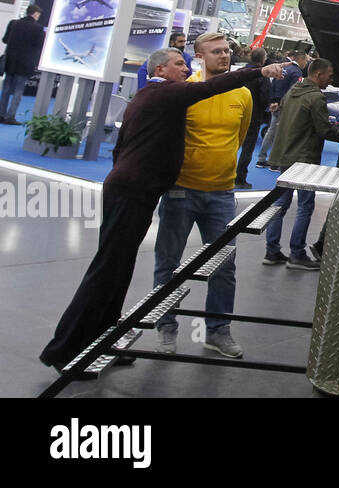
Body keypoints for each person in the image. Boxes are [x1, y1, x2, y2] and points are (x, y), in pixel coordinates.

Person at [39, 48, 287, 372]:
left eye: (186, 64)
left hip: (132, 192)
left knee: (118, 273)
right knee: (106, 273)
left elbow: (121, 145)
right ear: (160, 68)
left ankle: (100, 342)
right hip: (131, 194)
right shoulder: (164, 94)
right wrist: (260, 72)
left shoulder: (147, 97)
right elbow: (209, 88)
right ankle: (65, 353)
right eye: (179, 64)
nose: (185, 70)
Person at [151, 32, 254, 359]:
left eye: (227, 51)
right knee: (168, 264)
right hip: (182, 190)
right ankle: (166, 328)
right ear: (199, 56)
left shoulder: (242, 94)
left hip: (222, 193)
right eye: (216, 51)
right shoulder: (185, 91)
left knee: (224, 267)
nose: (224, 56)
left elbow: (239, 137)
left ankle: (218, 332)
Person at [264, 58, 339, 269]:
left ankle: (272, 251)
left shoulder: (293, 91)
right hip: (304, 159)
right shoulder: (316, 97)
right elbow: (324, 129)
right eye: (329, 75)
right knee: (305, 206)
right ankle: (297, 254)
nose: (331, 79)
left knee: (280, 205)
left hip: (284, 154)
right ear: (318, 75)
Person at [255, 50, 305, 168]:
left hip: (275, 103)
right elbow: (292, 91)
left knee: (271, 131)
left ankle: (262, 158)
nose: (306, 63)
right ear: (301, 59)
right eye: (306, 60)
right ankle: (274, 162)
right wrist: (282, 103)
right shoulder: (297, 72)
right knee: (280, 133)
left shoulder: (283, 68)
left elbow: (273, 85)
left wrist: (273, 101)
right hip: (284, 106)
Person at [0, 4, 44, 124]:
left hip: (10, 61)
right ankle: (10, 116)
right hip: (25, 63)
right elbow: (39, 47)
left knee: (6, 88)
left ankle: (1, 114)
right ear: (35, 14)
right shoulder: (38, 29)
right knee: (18, 91)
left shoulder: (14, 23)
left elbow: (5, 40)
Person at [234, 47, 270, 190]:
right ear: (262, 60)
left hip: (235, 113)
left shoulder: (238, 72)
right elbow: (264, 98)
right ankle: (240, 178)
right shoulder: (262, 76)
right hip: (253, 117)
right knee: (247, 148)